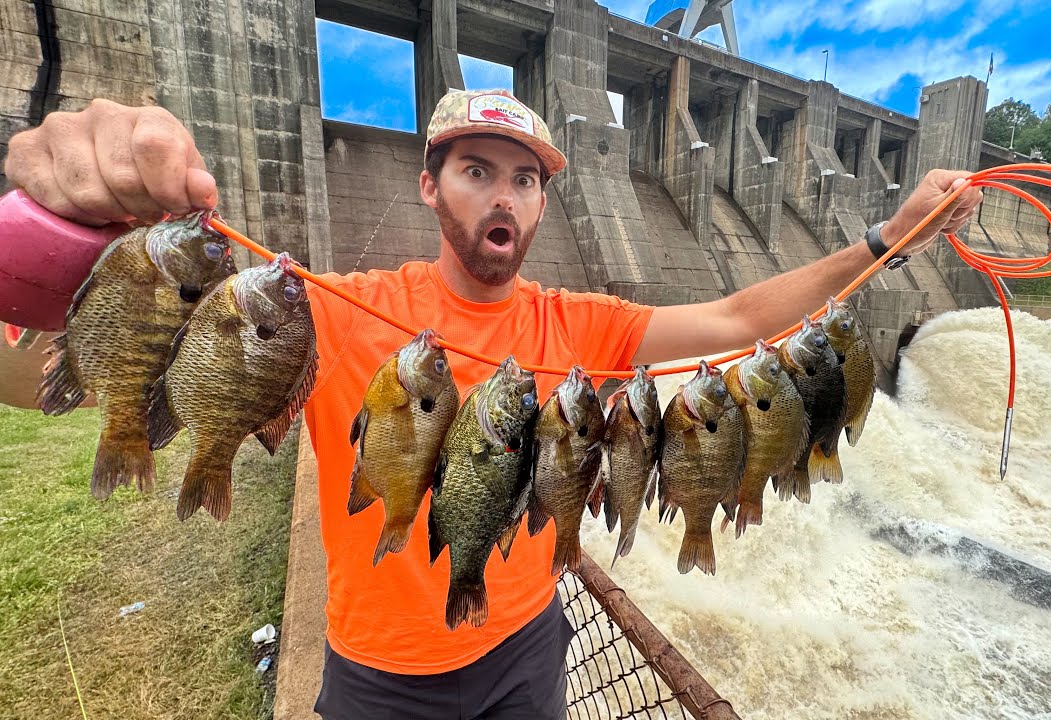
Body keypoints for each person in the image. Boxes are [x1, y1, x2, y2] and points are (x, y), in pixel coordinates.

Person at [1, 89, 982, 718]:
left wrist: (885, 238)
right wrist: (48, 241)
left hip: (528, 656)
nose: (501, 195)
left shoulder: (581, 325)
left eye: (522, 179)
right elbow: (34, 383)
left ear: (544, 205)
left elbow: (733, 316)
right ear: (429, 186)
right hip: (377, 680)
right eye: (475, 170)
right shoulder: (338, 310)